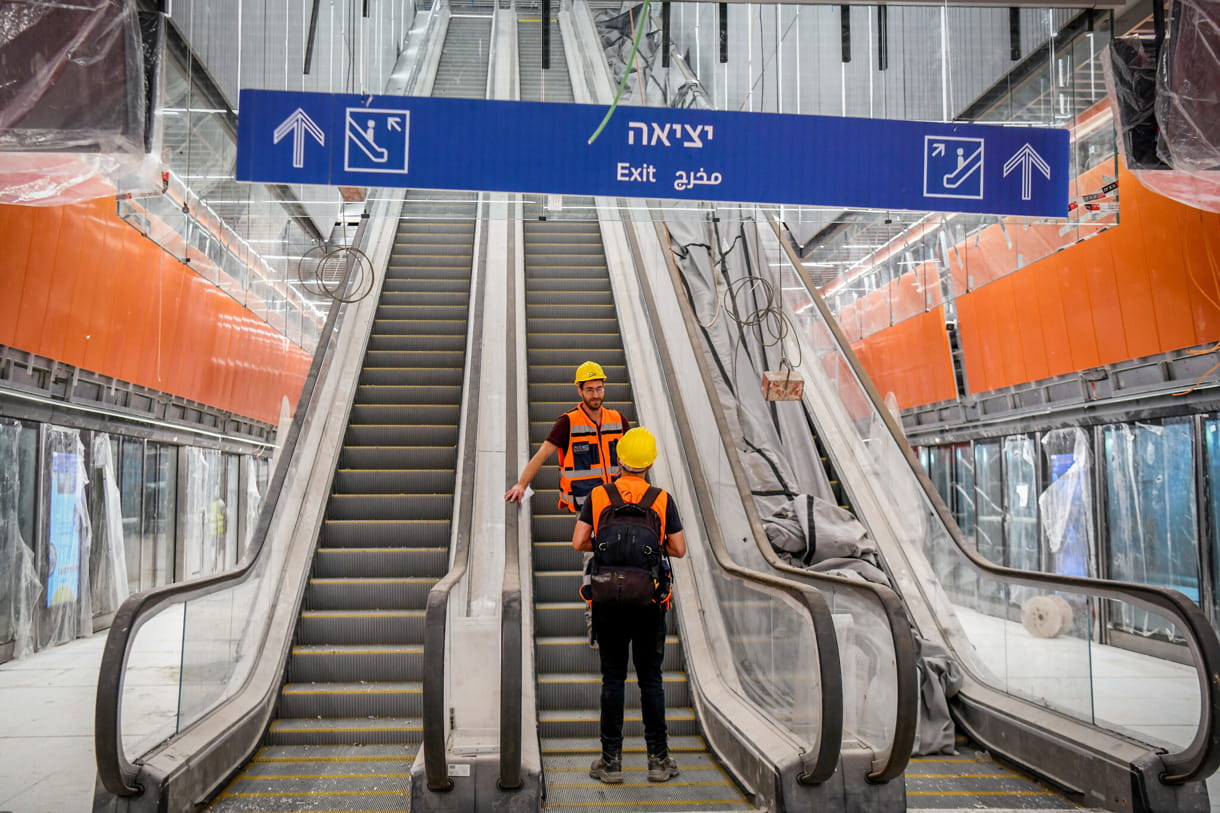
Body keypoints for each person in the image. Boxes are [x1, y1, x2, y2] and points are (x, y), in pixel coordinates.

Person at [571, 427, 688, 785]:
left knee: (613, 678)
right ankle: (658, 761)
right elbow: (679, 549)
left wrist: (610, 550)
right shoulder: (661, 499)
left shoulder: (600, 495)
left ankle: (611, 762)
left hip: (608, 599)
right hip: (649, 600)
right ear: (650, 463)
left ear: (619, 459)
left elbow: (579, 542)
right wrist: (651, 550)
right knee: (651, 679)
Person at [504, 360, 630, 513]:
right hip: (586, 506)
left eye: (599, 389)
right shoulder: (568, 422)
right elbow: (542, 455)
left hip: (619, 501)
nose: (595, 395)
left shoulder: (618, 419)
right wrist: (521, 485)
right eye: (590, 390)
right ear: (580, 391)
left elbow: (635, 458)